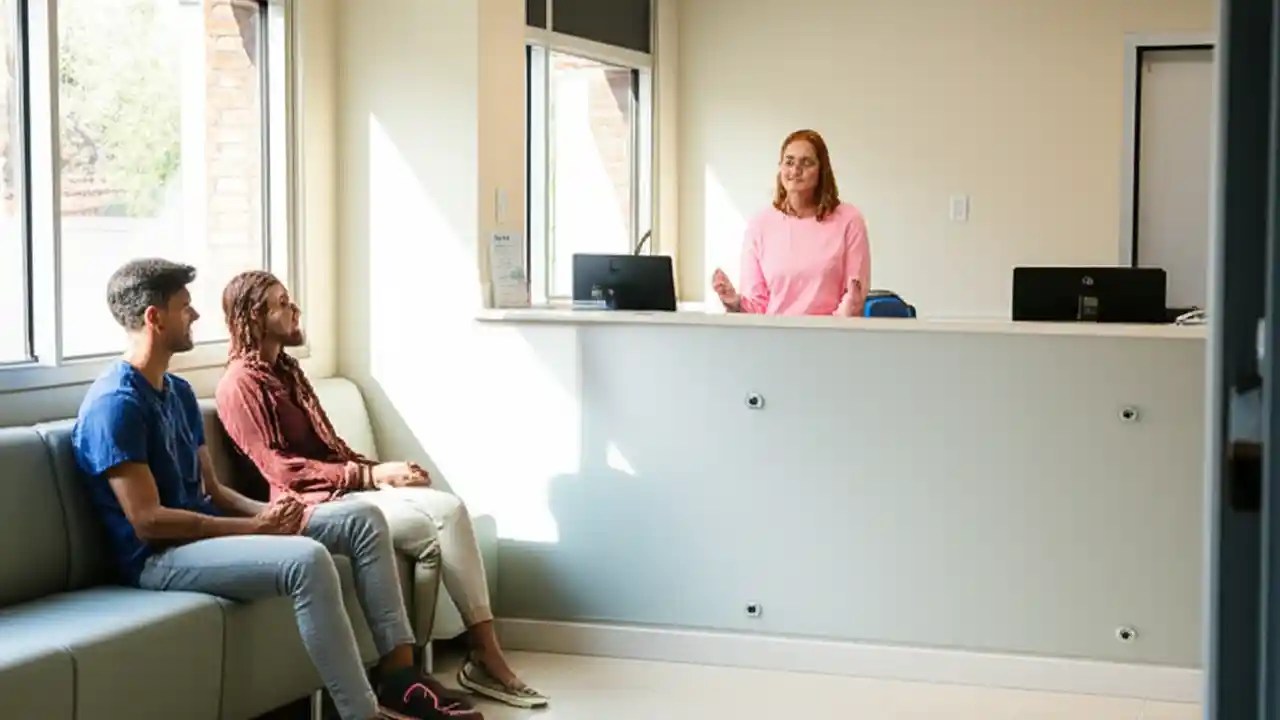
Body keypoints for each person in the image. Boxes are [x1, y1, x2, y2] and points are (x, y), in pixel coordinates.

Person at [71, 259, 481, 720]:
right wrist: (254, 526)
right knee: (306, 561)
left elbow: (214, 490)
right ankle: (359, 713)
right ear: (154, 317)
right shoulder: (115, 405)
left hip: (205, 534)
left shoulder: (179, 393)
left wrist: (276, 514)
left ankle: (400, 681)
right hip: (159, 558)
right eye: (185, 307)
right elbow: (148, 522)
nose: (197, 316)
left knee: (362, 520)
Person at [214, 270, 549, 710]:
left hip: (344, 491)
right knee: (423, 531)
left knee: (448, 509)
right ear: (254, 317)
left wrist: (382, 471)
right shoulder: (239, 385)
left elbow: (332, 450)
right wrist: (371, 477)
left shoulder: (289, 372)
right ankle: (409, 674)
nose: (294, 309)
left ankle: (484, 654)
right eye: (282, 303)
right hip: (306, 506)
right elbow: (283, 471)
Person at [711, 128, 872, 316]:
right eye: (789, 162)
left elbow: (853, 298)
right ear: (780, 168)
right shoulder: (760, 225)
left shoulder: (849, 220)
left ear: (822, 170)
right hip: (774, 338)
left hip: (832, 337)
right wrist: (734, 302)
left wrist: (835, 326)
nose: (796, 170)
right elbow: (757, 306)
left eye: (807, 163)